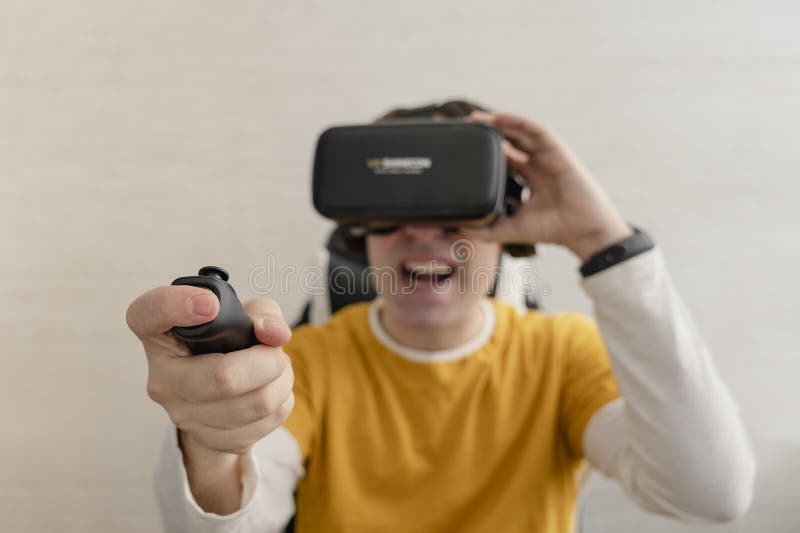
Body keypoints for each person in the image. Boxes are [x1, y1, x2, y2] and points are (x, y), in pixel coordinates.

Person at [126, 100, 755, 533]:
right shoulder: (309, 359)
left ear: (507, 233)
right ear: (359, 235)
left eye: (454, 214)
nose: (422, 238)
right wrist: (211, 440)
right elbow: (230, 523)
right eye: (393, 215)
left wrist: (605, 241)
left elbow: (709, 493)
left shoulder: (564, 354)